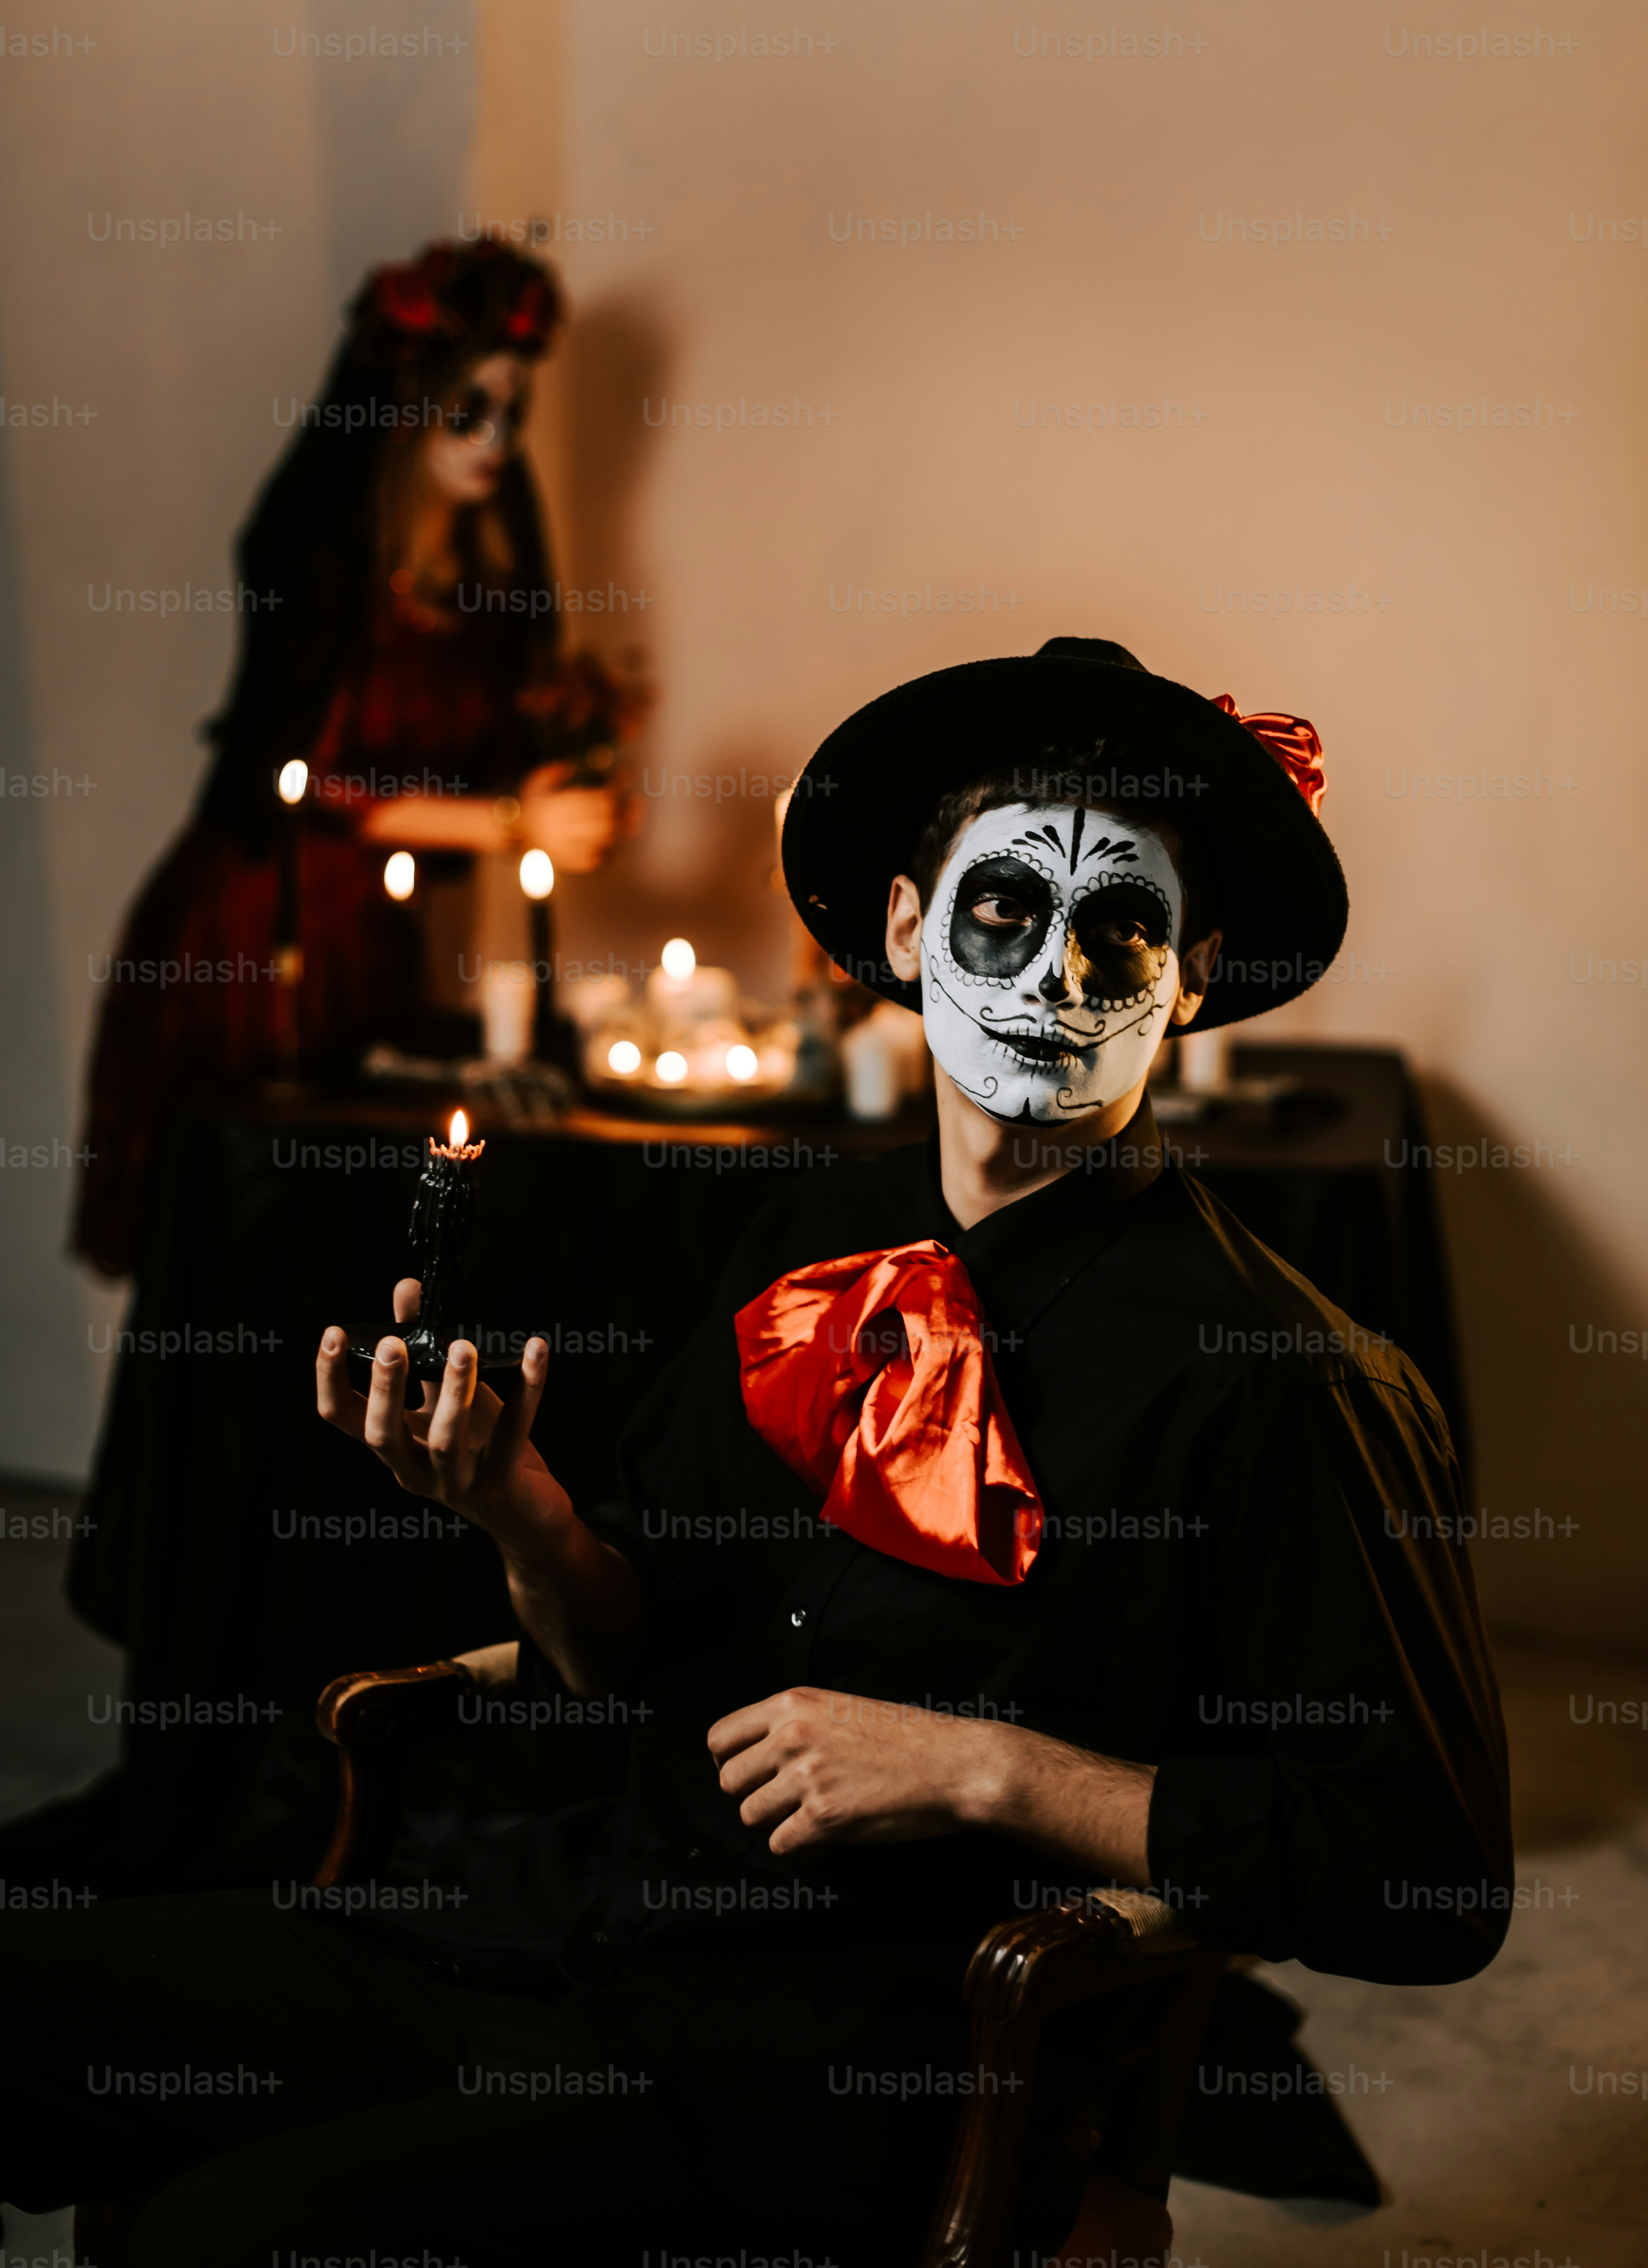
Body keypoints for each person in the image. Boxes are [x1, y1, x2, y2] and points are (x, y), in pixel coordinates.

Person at [2, 639, 1512, 2266]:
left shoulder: (1281, 1379)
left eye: (1119, 927)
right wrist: (522, 1509)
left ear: (1191, 974)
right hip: (548, 1926)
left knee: (229, 2233)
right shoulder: (810, 1230)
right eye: (1004, 907)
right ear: (905, 929)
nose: (1054, 974)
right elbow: (628, 1643)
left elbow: (1419, 1872)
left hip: (829, 2071)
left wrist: (982, 1766)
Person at [73, 237, 638, 1280]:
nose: (495, 444)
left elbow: (498, 766)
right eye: (468, 411)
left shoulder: (487, 586)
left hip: (374, 947)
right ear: (405, 408)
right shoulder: (326, 567)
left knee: (353, 1253)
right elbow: (305, 783)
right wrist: (511, 823)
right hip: (251, 938)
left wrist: (574, 781)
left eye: (514, 414)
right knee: (243, 1246)